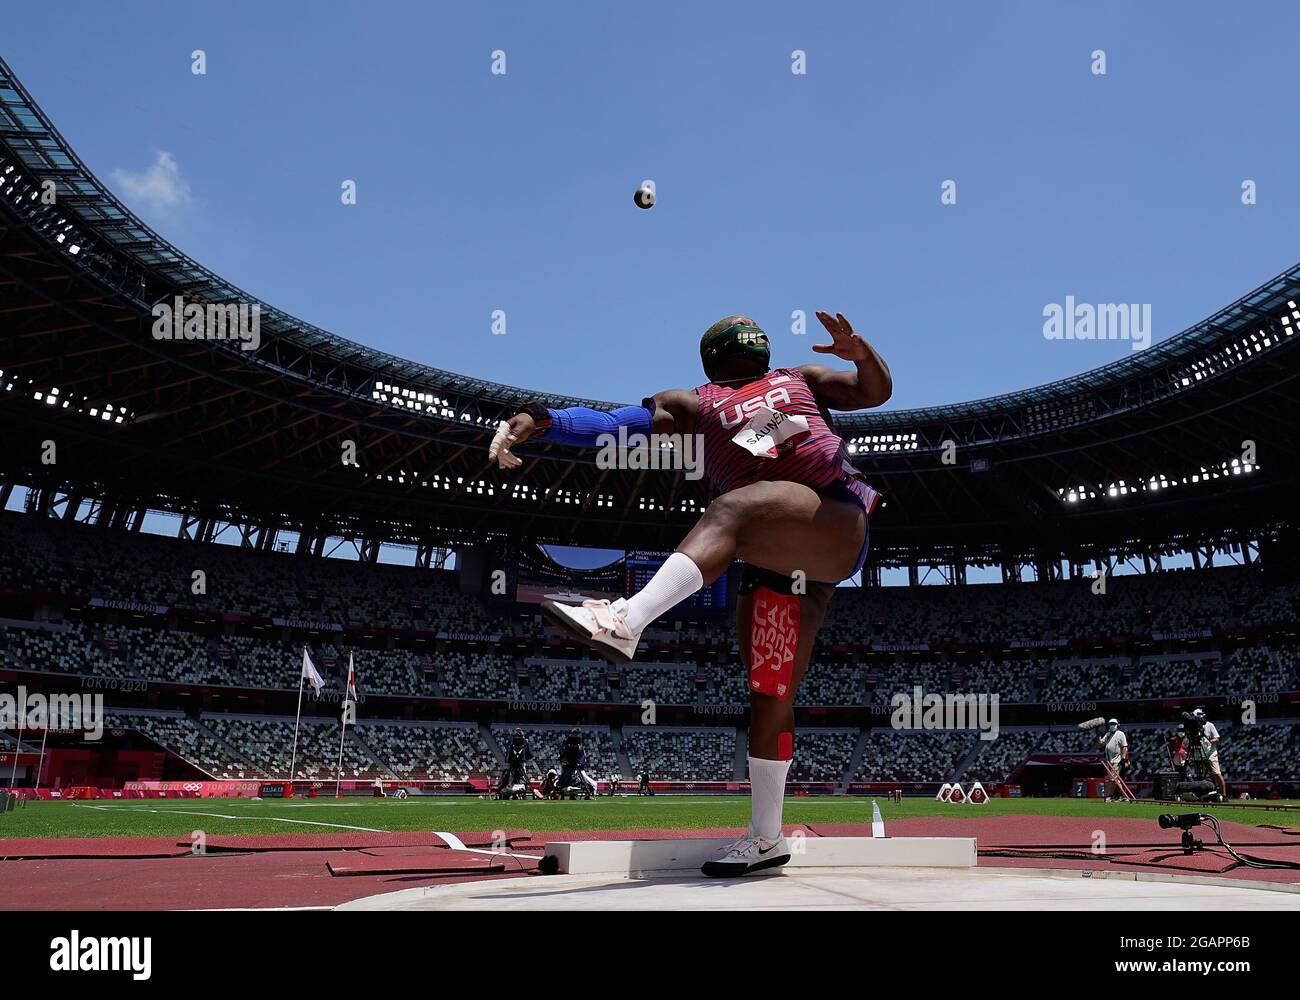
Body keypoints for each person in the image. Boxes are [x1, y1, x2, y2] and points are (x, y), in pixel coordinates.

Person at [490, 312, 890, 875]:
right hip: (778, 554)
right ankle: (767, 838)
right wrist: (543, 419)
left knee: (730, 508)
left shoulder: (800, 377)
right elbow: (618, 423)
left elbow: (876, 391)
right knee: (769, 693)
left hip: (833, 518)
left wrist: (860, 352)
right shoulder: (696, 403)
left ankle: (626, 619)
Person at [1192, 708, 1227, 799]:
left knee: (1216, 773)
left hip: (1211, 752)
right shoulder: (1194, 727)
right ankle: (1202, 794)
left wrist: (1210, 741)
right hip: (1200, 753)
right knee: (1200, 775)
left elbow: (1217, 738)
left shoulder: (1210, 725)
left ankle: (1224, 794)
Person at [1097, 718, 1129, 801]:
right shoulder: (1108, 734)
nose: (1112, 725)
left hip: (1117, 760)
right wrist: (1099, 735)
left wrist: (1124, 758)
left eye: (1114, 724)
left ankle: (1109, 795)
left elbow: (1124, 746)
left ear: (1117, 725)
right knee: (1115, 780)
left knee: (1113, 779)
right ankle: (1123, 796)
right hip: (1109, 760)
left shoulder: (1120, 734)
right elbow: (1101, 744)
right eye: (1111, 724)